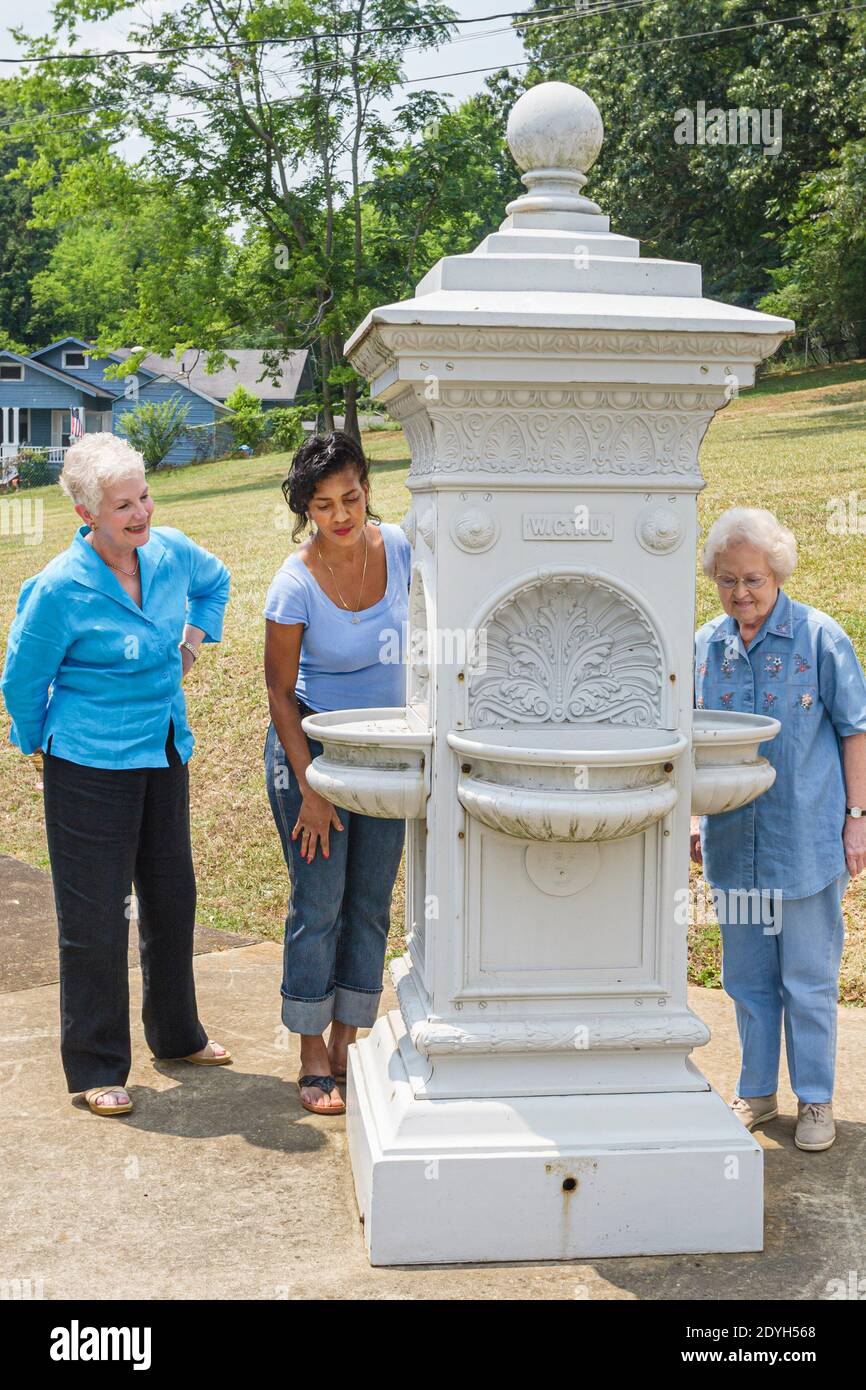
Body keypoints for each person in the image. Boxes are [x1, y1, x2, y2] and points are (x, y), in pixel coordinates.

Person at [1, 433, 232, 1116]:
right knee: (95, 916)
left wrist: (191, 645)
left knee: (171, 897)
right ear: (87, 514)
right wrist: (40, 745)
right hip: (88, 762)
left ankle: (178, 1035)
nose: (142, 514)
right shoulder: (59, 588)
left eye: (145, 497)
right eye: (124, 506)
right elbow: (22, 679)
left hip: (163, 749)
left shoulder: (170, 553)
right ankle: (96, 1065)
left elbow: (215, 583)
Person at [691, 507, 866, 1152]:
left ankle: (815, 1098)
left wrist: (858, 820)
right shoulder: (705, 645)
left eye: (753, 579)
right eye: (727, 580)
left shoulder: (820, 638)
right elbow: (691, 739)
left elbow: (856, 730)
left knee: (808, 978)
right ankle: (758, 1090)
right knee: (746, 978)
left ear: (778, 574)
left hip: (807, 841)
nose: (740, 592)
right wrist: (693, 816)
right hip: (733, 842)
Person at [263, 431, 411, 1116]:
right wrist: (312, 789)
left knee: (370, 900)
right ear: (306, 510)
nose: (341, 515)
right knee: (319, 901)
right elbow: (279, 693)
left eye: (350, 498)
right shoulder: (294, 583)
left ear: (366, 489)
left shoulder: (401, 549)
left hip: (385, 754)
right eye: (323, 505)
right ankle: (310, 1047)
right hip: (314, 750)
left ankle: (349, 1037)